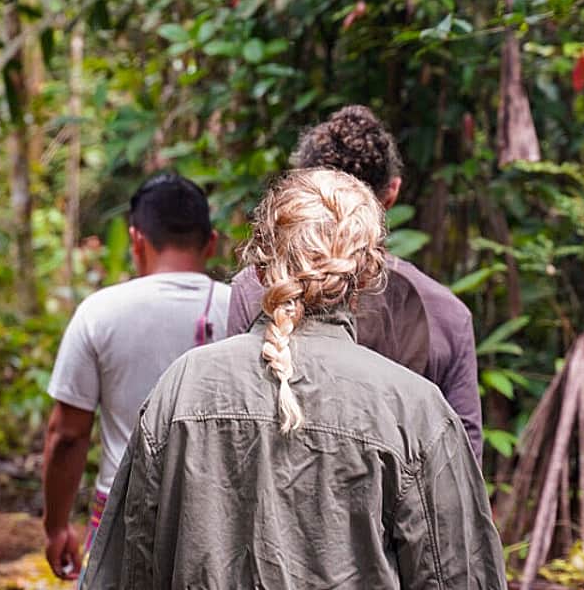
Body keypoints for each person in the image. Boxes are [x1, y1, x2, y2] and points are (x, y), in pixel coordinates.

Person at [84, 169, 507, 589]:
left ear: (262, 266)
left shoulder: (181, 389)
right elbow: (459, 576)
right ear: (365, 276)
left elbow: (128, 569)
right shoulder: (415, 410)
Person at [227, 105, 483, 461]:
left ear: (299, 195)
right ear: (391, 194)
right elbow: (463, 461)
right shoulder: (446, 314)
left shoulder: (257, 287)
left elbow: (233, 424)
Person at [42, 173, 231, 581]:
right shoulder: (243, 312)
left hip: (123, 513)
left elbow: (68, 435)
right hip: (221, 517)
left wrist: (56, 527)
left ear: (136, 240)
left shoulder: (100, 313)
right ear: (211, 242)